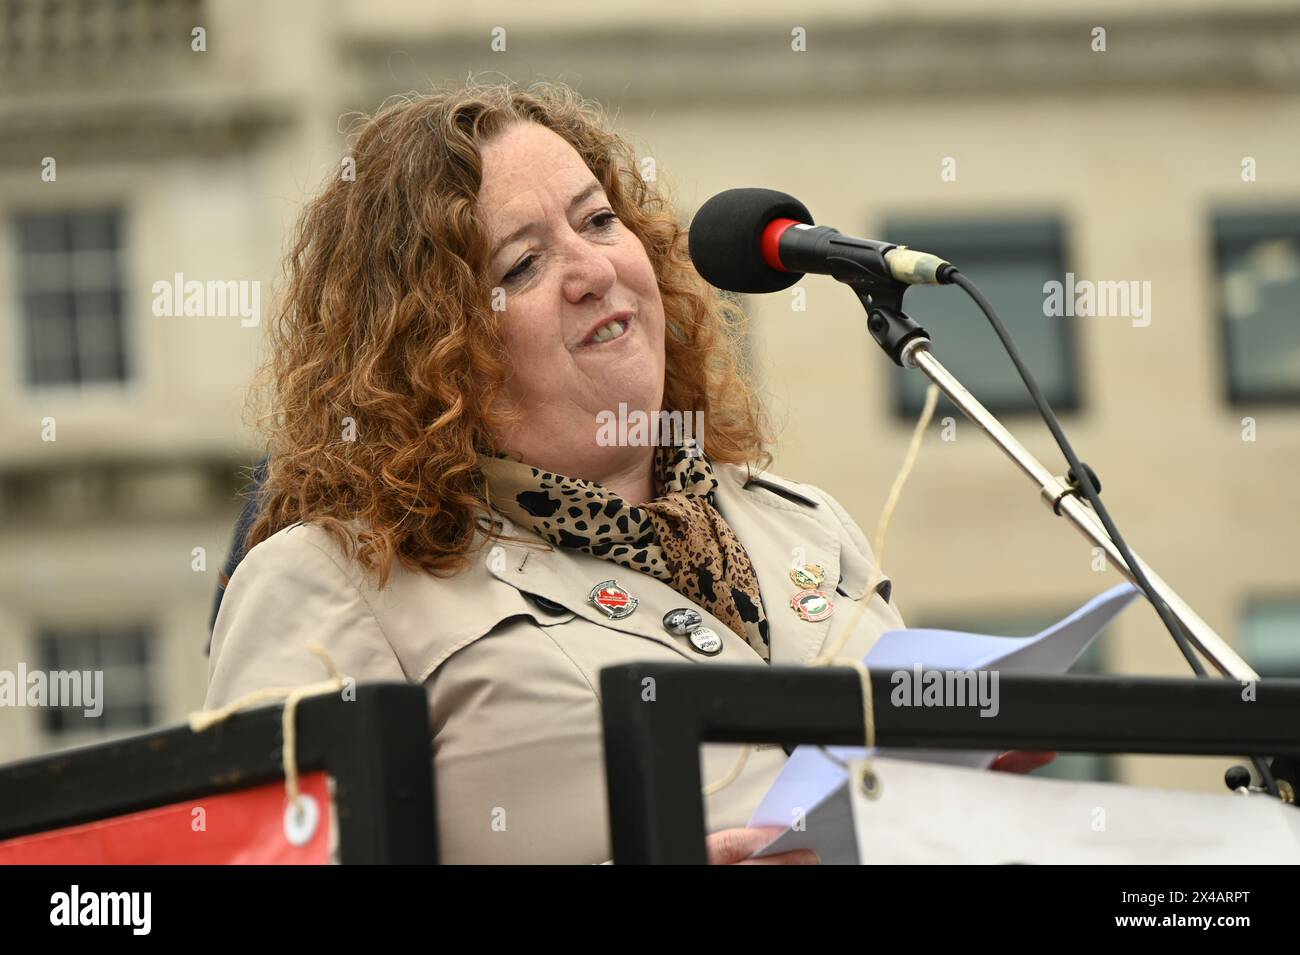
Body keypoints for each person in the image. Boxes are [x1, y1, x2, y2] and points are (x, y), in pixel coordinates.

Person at [206, 78, 1043, 865]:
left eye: (599, 221)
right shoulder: (330, 577)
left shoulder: (805, 523)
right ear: (427, 349)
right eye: (522, 265)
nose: (596, 270)